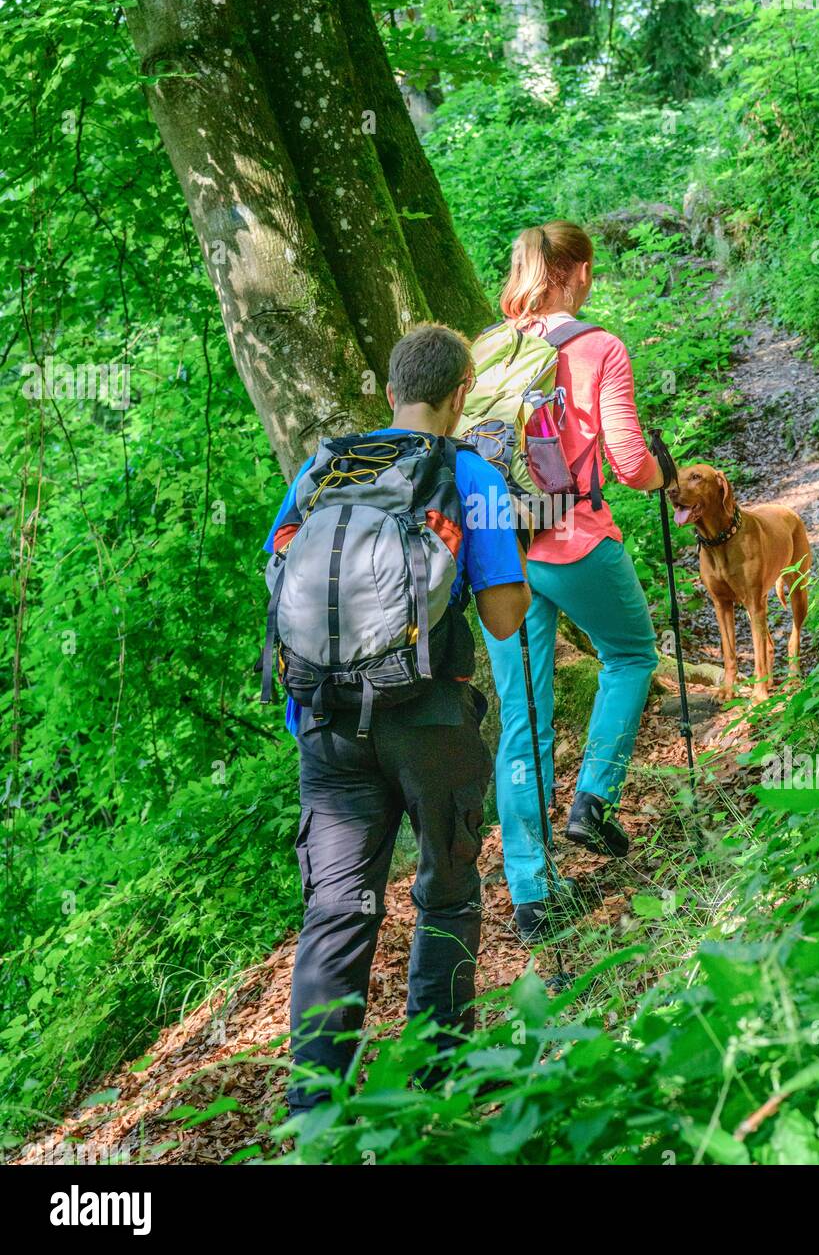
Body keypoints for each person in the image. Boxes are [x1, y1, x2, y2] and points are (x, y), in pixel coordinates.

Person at [264, 324, 529, 1114]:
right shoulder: (471, 474)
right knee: (447, 893)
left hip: (326, 722)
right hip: (430, 716)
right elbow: (506, 617)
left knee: (335, 912)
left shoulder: (320, 470)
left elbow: (280, 590)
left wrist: (304, 715)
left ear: (389, 392)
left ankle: (316, 1115)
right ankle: (437, 1087)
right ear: (460, 396)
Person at [480, 221, 664, 941]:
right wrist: (664, 473)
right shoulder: (597, 347)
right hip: (573, 541)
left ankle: (531, 893)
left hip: (502, 557)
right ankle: (594, 798)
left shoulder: (488, 347)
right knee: (631, 655)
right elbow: (627, 460)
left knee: (523, 717)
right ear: (577, 270)